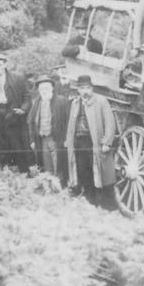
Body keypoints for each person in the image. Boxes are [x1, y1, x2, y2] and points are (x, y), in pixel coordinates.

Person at [66, 75, 117, 209]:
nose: (85, 91)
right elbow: (71, 125)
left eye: (88, 88)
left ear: (92, 88)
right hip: (79, 142)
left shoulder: (101, 101)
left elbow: (110, 122)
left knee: (103, 173)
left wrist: (107, 141)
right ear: (78, 90)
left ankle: (108, 206)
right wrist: (69, 141)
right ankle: (91, 204)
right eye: (82, 88)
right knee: (84, 172)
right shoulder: (75, 103)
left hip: (94, 141)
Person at [0, 53, 31, 172]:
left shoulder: (17, 78)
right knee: (1, 146)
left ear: (5, 64)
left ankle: (24, 172)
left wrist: (23, 109)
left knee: (17, 145)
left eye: (0, 65)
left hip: (14, 115)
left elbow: (27, 97)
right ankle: (6, 172)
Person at [28, 75, 70, 186]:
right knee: (47, 166)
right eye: (41, 88)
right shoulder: (36, 103)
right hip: (42, 139)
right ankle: (50, 187)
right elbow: (31, 122)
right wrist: (32, 140)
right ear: (38, 90)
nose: (44, 91)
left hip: (56, 139)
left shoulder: (62, 101)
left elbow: (68, 121)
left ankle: (61, 187)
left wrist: (67, 138)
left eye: (47, 88)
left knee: (58, 165)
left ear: (52, 88)